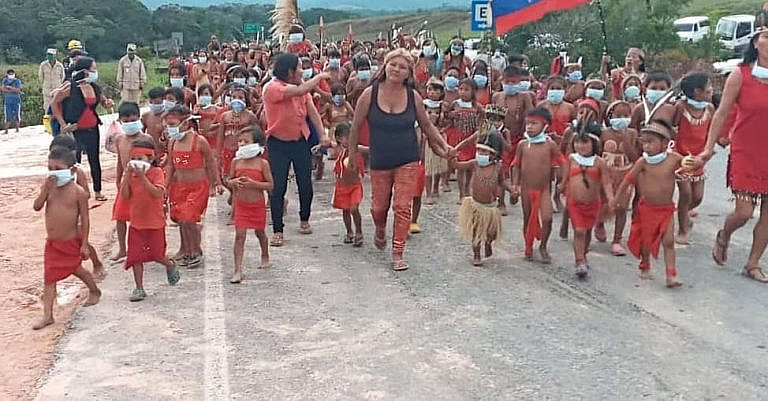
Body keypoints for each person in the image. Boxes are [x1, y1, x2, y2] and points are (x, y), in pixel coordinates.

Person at [346, 48, 453, 271]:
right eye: (393, 64)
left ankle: (398, 251)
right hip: (380, 159)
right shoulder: (370, 94)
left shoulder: (413, 97)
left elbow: (427, 126)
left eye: (402, 66)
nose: (396, 69)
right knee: (378, 207)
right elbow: (355, 127)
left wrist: (443, 146)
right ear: (385, 66)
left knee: (402, 206)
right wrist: (352, 156)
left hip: (407, 157)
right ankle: (380, 228)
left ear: (408, 73)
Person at [695, 27, 768, 282]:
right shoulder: (741, 75)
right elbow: (722, 113)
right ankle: (724, 234)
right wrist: (708, 147)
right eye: (766, 36)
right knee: (745, 211)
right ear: (756, 41)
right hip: (746, 150)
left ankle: (752, 263)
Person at [262, 53, 331, 247]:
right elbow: (300, 90)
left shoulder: (302, 90)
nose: (302, 71)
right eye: (299, 67)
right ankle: (278, 229)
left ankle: (304, 219)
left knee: (305, 184)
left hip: (300, 141)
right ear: (290, 71)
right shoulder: (272, 88)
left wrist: (323, 134)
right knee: (278, 187)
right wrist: (318, 78)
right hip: (278, 144)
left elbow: (313, 113)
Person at [32, 147, 101, 329]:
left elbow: (85, 219)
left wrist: (84, 244)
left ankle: (94, 290)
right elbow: (37, 206)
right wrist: (45, 190)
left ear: (71, 170)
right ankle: (47, 315)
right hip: (52, 243)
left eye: (58, 168)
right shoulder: (49, 187)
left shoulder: (77, 192)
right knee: (49, 278)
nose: (53, 173)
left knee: (78, 271)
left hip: (69, 242)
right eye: (50, 168)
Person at [616, 120, 683, 288]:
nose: (646, 146)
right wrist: (616, 198)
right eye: (644, 142)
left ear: (665, 143)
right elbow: (627, 180)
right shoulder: (643, 162)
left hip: (666, 209)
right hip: (647, 209)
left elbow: (690, 164)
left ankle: (671, 275)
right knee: (646, 241)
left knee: (668, 241)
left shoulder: (673, 159)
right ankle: (645, 265)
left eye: (651, 142)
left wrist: (700, 159)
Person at [120, 140, 181, 301]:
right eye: (134, 158)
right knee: (135, 256)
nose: (136, 162)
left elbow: (157, 193)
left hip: (154, 222)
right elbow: (125, 196)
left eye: (140, 158)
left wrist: (143, 178)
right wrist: (126, 177)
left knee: (157, 254)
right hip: (136, 222)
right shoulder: (130, 175)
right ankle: (139, 288)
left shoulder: (156, 173)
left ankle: (169, 264)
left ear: (150, 158)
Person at [51, 57, 114, 201]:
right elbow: (54, 102)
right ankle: (75, 191)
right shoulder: (70, 87)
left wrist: (108, 103)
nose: (95, 72)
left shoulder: (94, 87)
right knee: (74, 161)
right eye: (94, 69)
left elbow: (103, 102)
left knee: (94, 160)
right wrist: (62, 123)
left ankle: (97, 191)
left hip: (92, 127)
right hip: (75, 129)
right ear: (86, 71)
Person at [165, 105, 222, 268]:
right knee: (181, 220)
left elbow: (211, 162)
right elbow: (170, 165)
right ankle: (185, 249)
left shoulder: (199, 141)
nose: (170, 128)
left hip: (197, 188)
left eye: (173, 124)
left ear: (185, 123)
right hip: (179, 187)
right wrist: (165, 186)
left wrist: (216, 182)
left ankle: (196, 250)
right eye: (168, 124)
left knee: (188, 217)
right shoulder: (172, 142)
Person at [557, 123, 614, 278]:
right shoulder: (572, 159)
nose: (580, 146)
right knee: (579, 230)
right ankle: (579, 260)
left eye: (585, 142)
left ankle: (584, 253)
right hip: (574, 202)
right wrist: (561, 186)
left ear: (594, 144)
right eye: (578, 142)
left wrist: (610, 199)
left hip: (592, 204)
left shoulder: (599, 162)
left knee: (587, 231)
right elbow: (566, 176)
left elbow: (606, 182)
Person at [511, 107, 564, 263]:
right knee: (527, 219)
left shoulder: (550, 145)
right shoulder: (522, 144)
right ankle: (528, 246)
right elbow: (516, 166)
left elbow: (562, 163)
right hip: (527, 189)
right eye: (527, 124)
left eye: (534, 123)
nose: (529, 127)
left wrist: (563, 182)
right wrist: (515, 185)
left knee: (547, 218)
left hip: (544, 189)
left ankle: (543, 246)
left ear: (545, 125)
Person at [48, 134, 104, 278]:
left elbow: (86, 193)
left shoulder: (77, 171)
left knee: (81, 240)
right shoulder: (54, 170)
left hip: (76, 213)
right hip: (61, 213)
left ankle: (96, 263)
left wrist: (73, 194)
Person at [456, 126, 510, 266]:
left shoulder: (497, 168)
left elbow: (502, 182)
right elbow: (458, 166)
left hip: (491, 207)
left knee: (491, 233)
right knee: (476, 233)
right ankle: (476, 255)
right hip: (475, 206)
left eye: (484, 151)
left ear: (494, 154)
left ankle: (488, 243)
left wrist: (512, 190)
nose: (480, 154)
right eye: (479, 150)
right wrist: (452, 158)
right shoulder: (474, 164)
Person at [673, 72, 713, 245]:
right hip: (681, 159)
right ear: (697, 91)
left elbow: (712, 132)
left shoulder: (709, 108)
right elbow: (672, 129)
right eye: (708, 87)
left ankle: (682, 214)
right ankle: (682, 230)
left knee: (697, 197)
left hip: (699, 159)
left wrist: (707, 152)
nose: (711, 89)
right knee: (686, 194)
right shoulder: (680, 107)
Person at [230, 126, 273, 283]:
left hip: (257, 205)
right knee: (239, 236)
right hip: (241, 204)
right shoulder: (236, 162)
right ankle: (237, 270)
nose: (241, 144)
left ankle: (265, 254)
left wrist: (254, 183)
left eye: (246, 141)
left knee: (259, 232)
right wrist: (234, 182)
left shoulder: (262, 164)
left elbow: (270, 185)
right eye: (240, 141)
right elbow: (229, 180)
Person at [111, 102, 153, 262]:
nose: (129, 123)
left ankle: (146, 247)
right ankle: (123, 249)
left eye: (133, 120)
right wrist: (118, 180)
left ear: (139, 119)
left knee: (144, 217)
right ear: (120, 121)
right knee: (120, 216)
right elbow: (119, 161)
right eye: (126, 121)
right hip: (126, 181)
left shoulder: (146, 138)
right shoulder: (119, 139)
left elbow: (153, 161)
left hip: (143, 181)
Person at [597, 101, 639, 256]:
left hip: (625, 175)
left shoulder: (633, 133)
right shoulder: (604, 133)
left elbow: (636, 157)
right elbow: (598, 153)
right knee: (602, 202)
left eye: (626, 115)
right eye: (618, 115)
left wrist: (627, 141)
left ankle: (617, 240)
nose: (622, 118)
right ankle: (599, 223)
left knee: (622, 208)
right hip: (606, 174)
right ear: (610, 117)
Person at [493, 66, 534, 212]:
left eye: (513, 82)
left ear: (518, 82)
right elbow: (492, 118)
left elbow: (530, 116)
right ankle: (501, 202)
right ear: (502, 81)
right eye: (507, 81)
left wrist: (529, 135)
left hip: (519, 138)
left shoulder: (525, 96)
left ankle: (515, 190)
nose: (510, 85)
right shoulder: (497, 97)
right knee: (501, 171)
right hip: (501, 139)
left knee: (516, 169)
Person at [445, 78, 483, 203]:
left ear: (473, 92)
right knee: (460, 167)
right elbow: (446, 115)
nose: (463, 92)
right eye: (461, 89)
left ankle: (467, 189)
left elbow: (483, 120)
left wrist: (478, 129)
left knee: (469, 167)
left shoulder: (477, 106)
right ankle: (461, 193)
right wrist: (451, 115)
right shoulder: (455, 104)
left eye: (466, 90)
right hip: (458, 138)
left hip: (471, 140)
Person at [330, 123, 367, 246]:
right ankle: (349, 231)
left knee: (354, 208)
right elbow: (326, 144)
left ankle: (359, 232)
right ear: (339, 139)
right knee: (345, 210)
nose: (350, 139)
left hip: (355, 185)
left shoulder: (356, 148)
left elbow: (369, 149)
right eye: (347, 136)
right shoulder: (337, 149)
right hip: (342, 186)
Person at [141, 87, 168, 157]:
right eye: (151, 102)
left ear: (164, 100)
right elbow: (140, 136)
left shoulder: (169, 117)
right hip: (150, 154)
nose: (153, 104)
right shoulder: (145, 116)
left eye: (157, 103)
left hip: (165, 154)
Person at [39, 49, 65, 113]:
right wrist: (45, 84)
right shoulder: (43, 65)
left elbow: (62, 76)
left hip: (57, 89)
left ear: (55, 55)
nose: (49, 56)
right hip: (47, 89)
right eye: (48, 54)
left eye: (51, 55)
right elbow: (41, 77)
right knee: (47, 106)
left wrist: (59, 85)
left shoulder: (60, 65)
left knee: (58, 105)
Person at [2, 69, 22, 135]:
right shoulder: (4, 80)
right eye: (10, 74)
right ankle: (6, 130)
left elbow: (18, 90)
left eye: (12, 74)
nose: (11, 75)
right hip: (7, 101)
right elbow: (3, 89)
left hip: (16, 100)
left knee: (17, 115)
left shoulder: (17, 81)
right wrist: (13, 90)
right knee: (7, 116)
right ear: (7, 74)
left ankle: (17, 129)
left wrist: (9, 88)